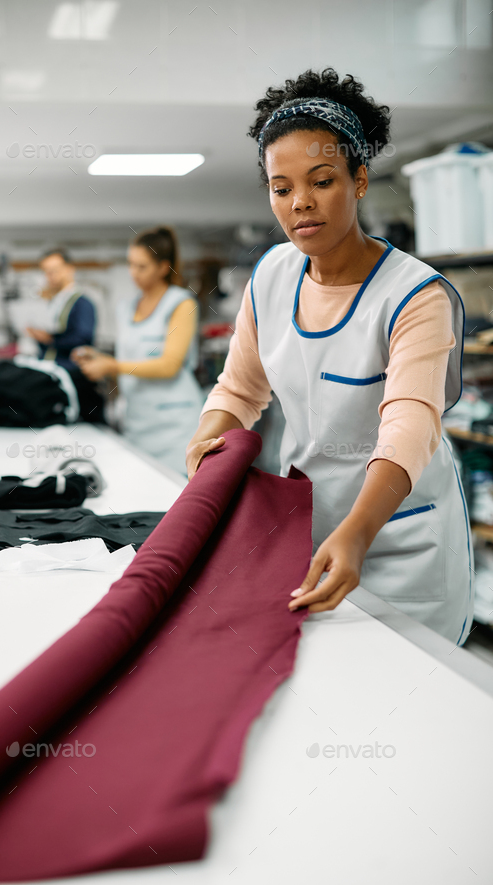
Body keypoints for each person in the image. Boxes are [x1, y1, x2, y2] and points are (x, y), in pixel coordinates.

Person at [186, 68, 473, 645]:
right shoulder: (271, 274)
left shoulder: (416, 296)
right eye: (281, 187)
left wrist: (357, 534)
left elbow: (409, 428)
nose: (300, 205)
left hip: (399, 537)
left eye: (321, 181)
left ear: (360, 179)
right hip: (310, 530)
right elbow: (241, 389)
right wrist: (207, 445)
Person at [72, 226, 204, 475]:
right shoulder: (126, 308)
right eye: (130, 265)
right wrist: (99, 359)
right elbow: (130, 360)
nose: (133, 273)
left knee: (175, 497)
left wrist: (111, 366)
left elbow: (169, 365)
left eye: (141, 267)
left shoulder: (181, 304)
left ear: (163, 267)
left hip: (175, 427)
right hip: (137, 420)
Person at [26, 248, 96, 371]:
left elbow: (83, 339)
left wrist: (50, 339)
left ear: (70, 269)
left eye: (54, 270)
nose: (50, 276)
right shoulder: (51, 303)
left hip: (68, 369)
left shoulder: (82, 303)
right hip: (45, 365)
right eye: (46, 272)